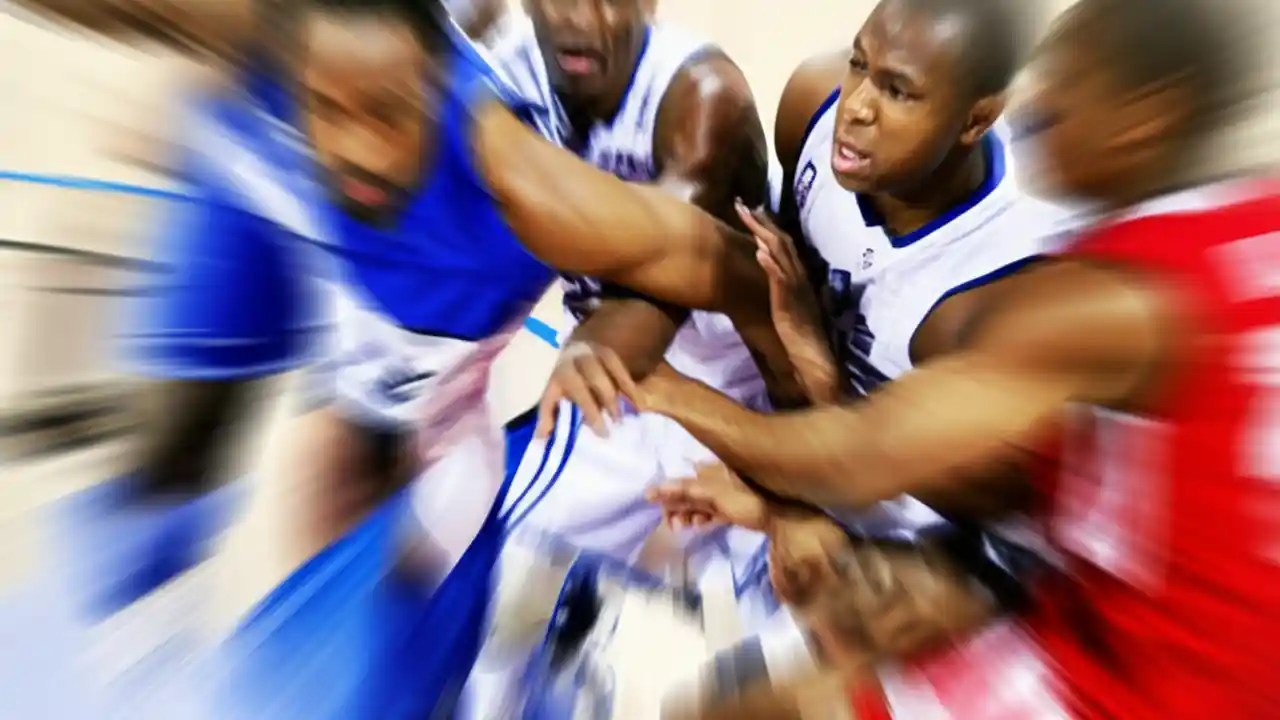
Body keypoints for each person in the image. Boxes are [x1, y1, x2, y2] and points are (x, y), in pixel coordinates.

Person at [38, 0, 799, 716]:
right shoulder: (333, 54)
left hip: (620, 342)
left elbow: (702, 271)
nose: (355, 145)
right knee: (237, 454)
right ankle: (145, 628)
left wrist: (796, 421)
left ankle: (521, 651)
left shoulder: (581, 155)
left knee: (428, 533)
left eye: (385, 118)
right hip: (296, 193)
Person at [629, 0, 1280, 716]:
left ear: (1145, 118)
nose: (1038, 102)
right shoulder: (1255, 219)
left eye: (1068, 81)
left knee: (732, 709)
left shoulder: (1108, 298)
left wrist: (663, 388)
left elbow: (857, 457)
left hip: (1131, 684)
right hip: (1130, 617)